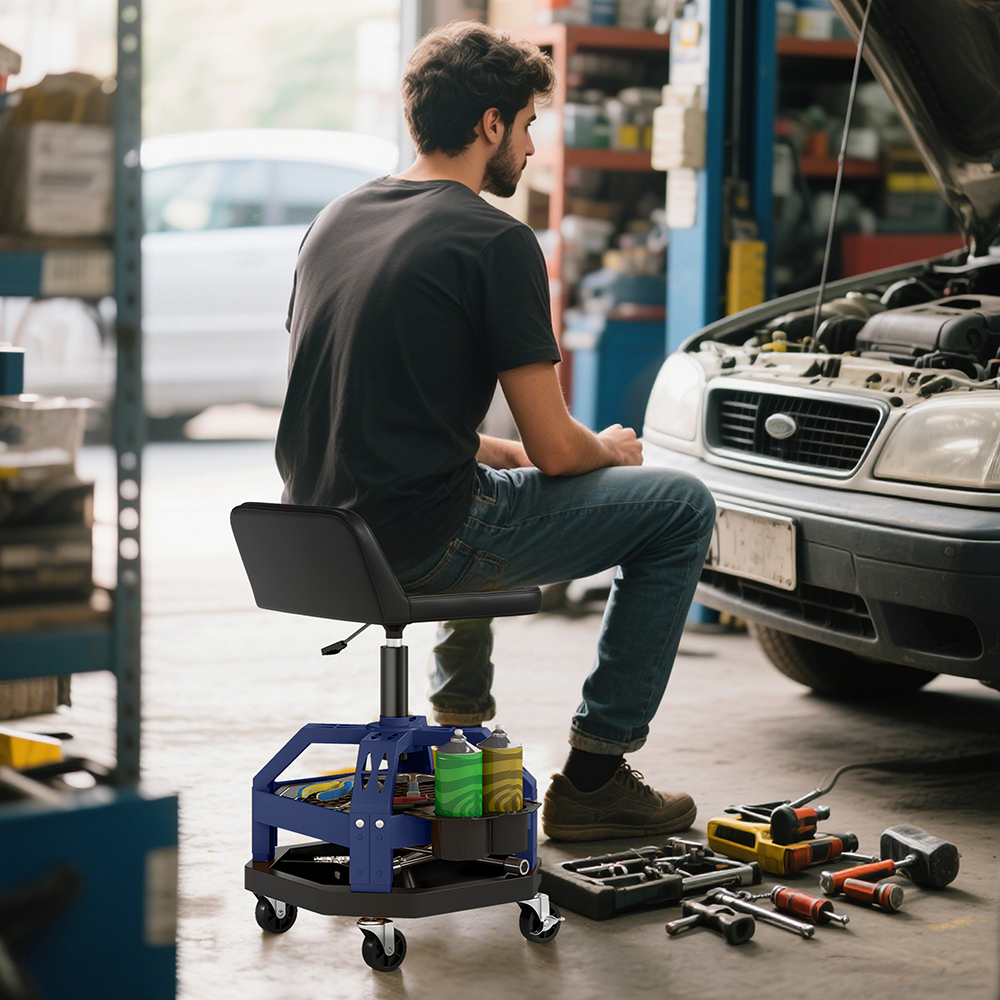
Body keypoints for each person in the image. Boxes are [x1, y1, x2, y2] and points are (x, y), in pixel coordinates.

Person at [275, 20, 716, 841]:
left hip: (313, 533)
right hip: (417, 537)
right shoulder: (496, 240)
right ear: (490, 126)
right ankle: (597, 774)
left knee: (485, 479)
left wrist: (492, 447)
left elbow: (363, 396)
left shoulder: (338, 217)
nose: (531, 147)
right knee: (682, 506)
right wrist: (609, 452)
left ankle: (459, 734)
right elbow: (559, 451)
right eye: (528, 125)